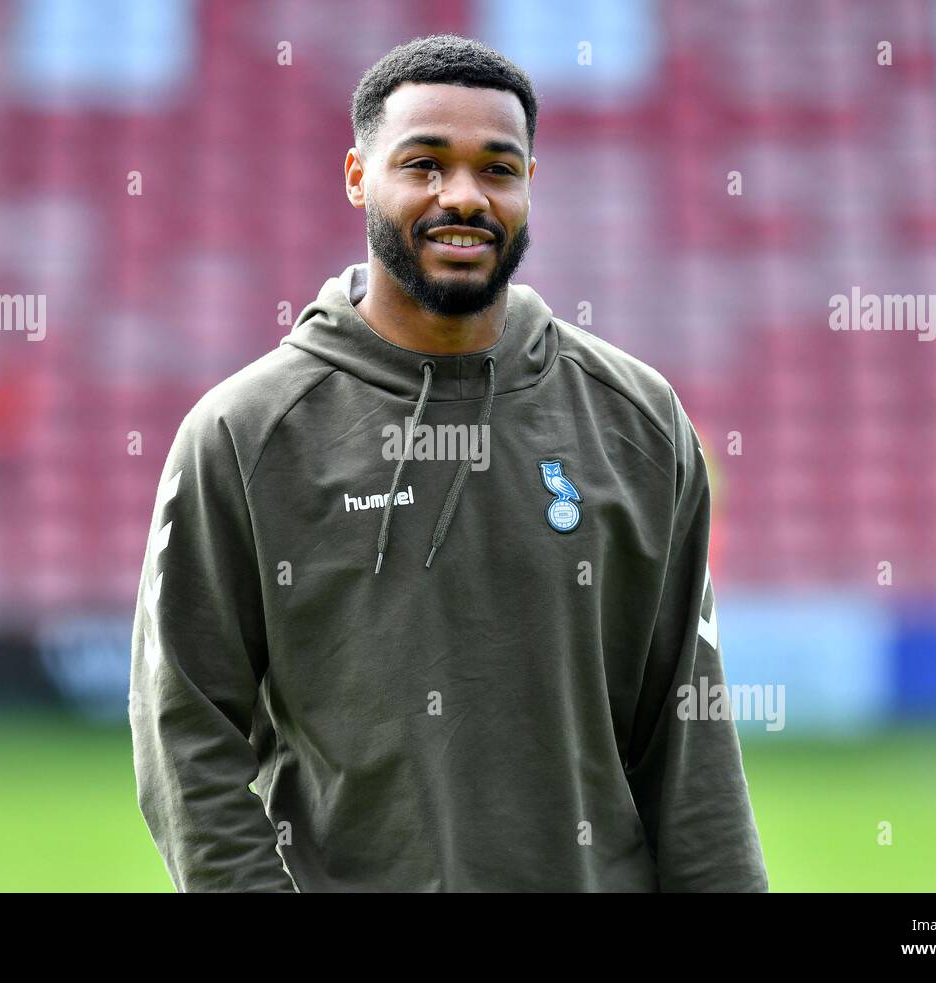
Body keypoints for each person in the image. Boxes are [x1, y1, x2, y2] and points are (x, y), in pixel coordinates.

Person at [129, 33, 767, 892]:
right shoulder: (244, 434)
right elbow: (185, 737)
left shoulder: (639, 421)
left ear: (531, 185)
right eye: (424, 164)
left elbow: (691, 746)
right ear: (359, 176)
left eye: (497, 169)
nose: (463, 196)